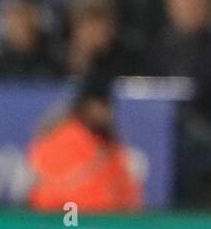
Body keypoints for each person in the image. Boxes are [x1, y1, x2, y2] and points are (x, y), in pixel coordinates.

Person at [28, 72, 143, 212]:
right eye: (101, 104)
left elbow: (127, 193)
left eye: (108, 104)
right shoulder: (63, 137)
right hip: (68, 217)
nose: (107, 111)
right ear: (86, 106)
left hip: (106, 218)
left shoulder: (109, 142)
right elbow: (50, 195)